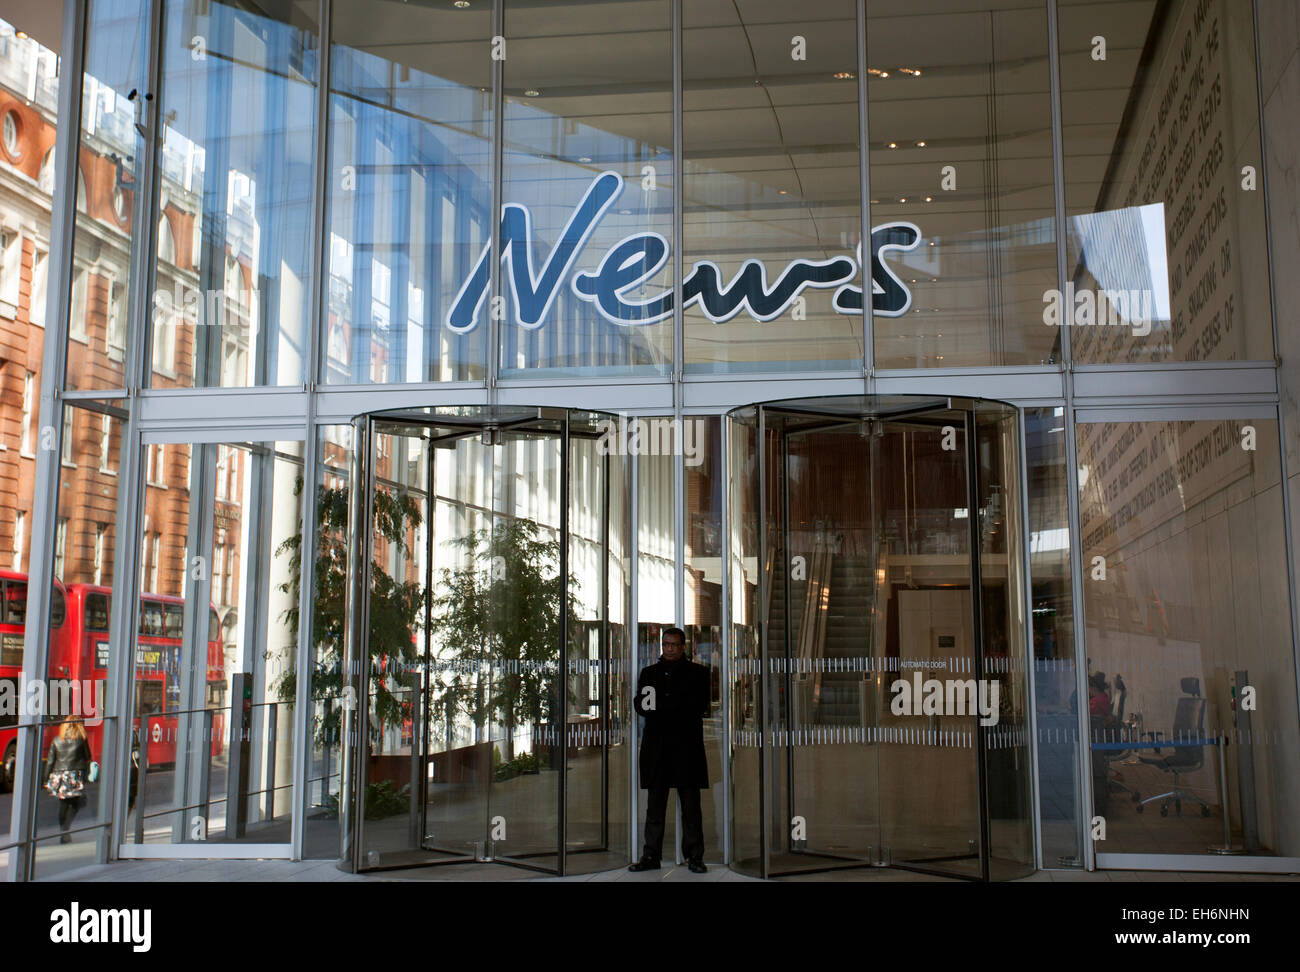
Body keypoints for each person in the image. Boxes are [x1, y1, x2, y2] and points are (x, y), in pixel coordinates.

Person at [630, 626, 711, 873]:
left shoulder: (698, 673)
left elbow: (698, 706)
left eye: (675, 644)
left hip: (687, 749)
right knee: (654, 807)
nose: (670, 648)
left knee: (691, 808)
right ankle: (651, 856)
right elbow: (642, 705)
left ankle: (695, 857)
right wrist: (671, 706)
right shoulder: (649, 673)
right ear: (661, 646)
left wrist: (664, 706)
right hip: (657, 749)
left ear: (684, 647)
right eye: (666, 644)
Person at [45, 717, 93, 843]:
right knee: (75, 803)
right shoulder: (81, 739)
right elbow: (88, 756)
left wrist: (45, 779)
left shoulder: (56, 740)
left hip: (59, 775)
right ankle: (66, 829)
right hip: (74, 775)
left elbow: (50, 761)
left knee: (63, 803)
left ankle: (63, 830)